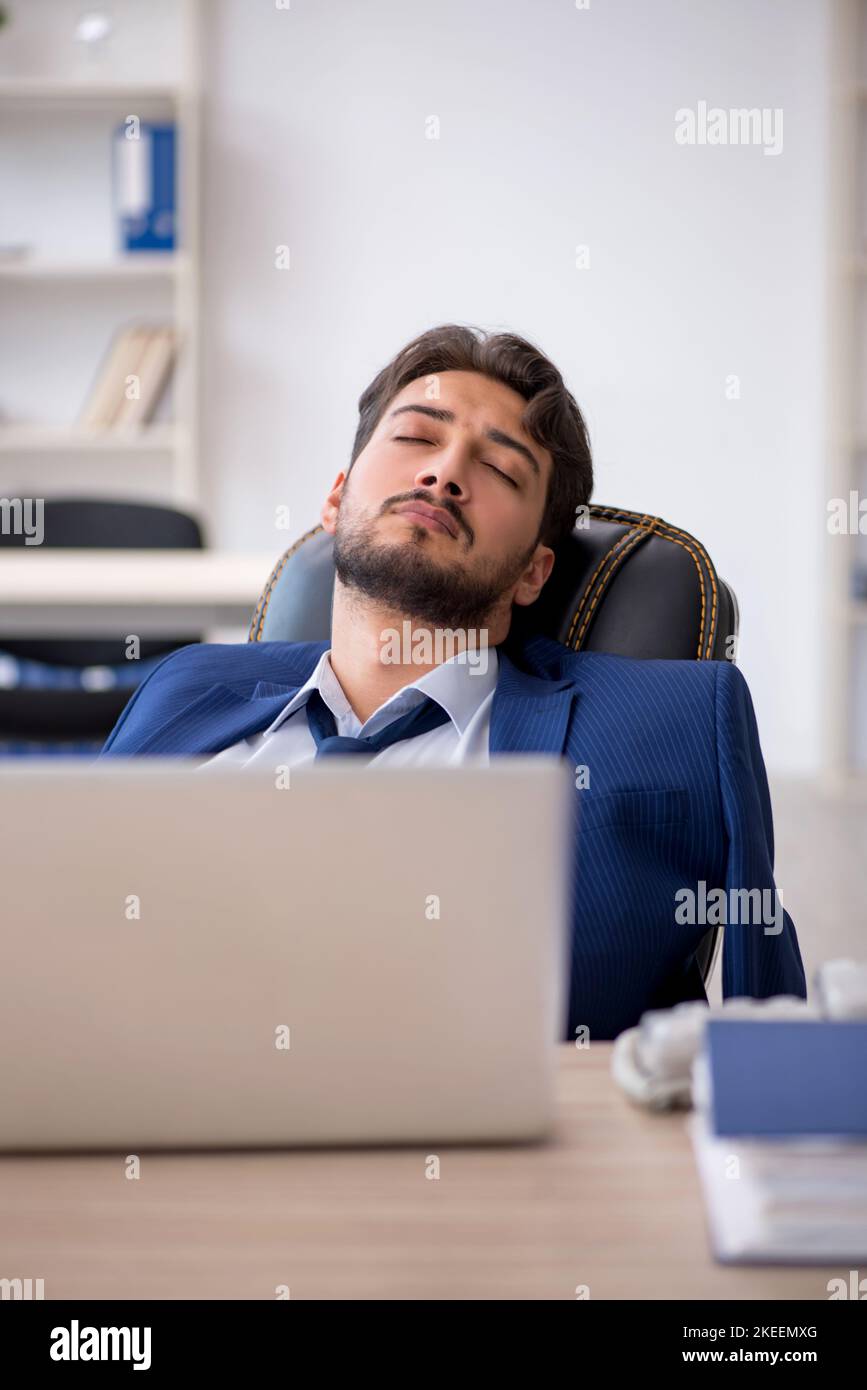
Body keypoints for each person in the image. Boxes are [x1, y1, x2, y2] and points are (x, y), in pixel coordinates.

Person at [100, 323, 807, 1039]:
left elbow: (773, 1039)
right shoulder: (185, 688)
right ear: (335, 500)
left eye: (500, 470)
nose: (443, 474)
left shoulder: (678, 720)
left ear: (534, 571)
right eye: (415, 437)